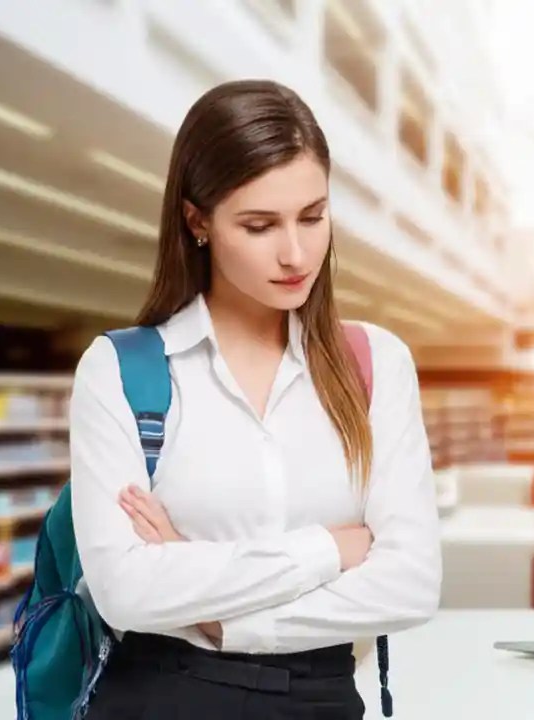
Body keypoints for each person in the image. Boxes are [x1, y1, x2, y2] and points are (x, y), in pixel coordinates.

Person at [69, 78, 442, 718]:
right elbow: (125, 591)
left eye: (314, 216)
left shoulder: (375, 364)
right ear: (198, 222)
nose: (297, 253)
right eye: (260, 225)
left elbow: (410, 585)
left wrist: (215, 610)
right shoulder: (120, 372)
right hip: (160, 698)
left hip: (321, 698)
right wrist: (328, 550)